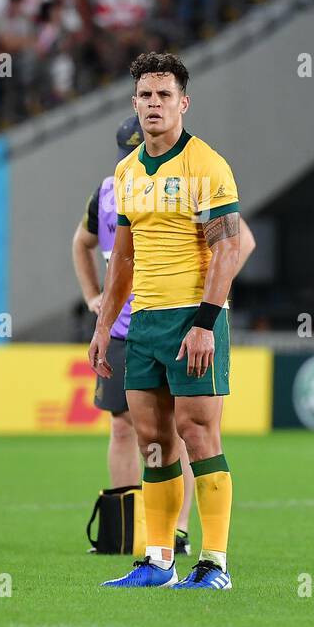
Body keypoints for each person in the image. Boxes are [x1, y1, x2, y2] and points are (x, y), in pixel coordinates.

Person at [89, 53, 244, 589]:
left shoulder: (207, 165)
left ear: (184, 102)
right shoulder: (126, 172)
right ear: (134, 104)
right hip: (145, 323)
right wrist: (104, 325)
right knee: (152, 440)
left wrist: (205, 320)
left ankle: (214, 564)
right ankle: (158, 561)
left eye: (164, 95)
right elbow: (122, 260)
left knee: (198, 434)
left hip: (193, 319)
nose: (154, 105)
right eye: (145, 96)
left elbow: (226, 250)